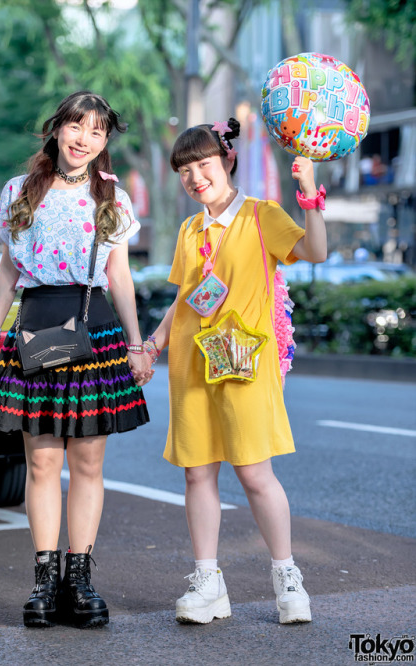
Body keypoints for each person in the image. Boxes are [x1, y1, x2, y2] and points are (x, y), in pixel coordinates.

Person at [0, 91, 153, 629]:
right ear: (57, 129)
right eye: (77, 127)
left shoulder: (112, 197)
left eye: (97, 132)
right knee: (42, 463)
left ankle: (81, 580)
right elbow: (8, 269)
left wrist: (137, 342)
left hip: (92, 324)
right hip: (35, 324)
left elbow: (119, 275)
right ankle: (44, 582)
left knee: (88, 464)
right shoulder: (19, 190)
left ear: (104, 142)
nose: (84, 139)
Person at [143, 118, 327, 625]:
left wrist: (309, 195)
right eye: (184, 169)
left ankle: (287, 577)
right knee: (197, 472)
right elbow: (185, 300)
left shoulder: (261, 216)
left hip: (246, 363)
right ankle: (207, 584)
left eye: (202, 164)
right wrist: (153, 344)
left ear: (226, 161)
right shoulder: (189, 230)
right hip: (192, 363)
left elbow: (316, 251)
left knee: (253, 473)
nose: (194, 176)